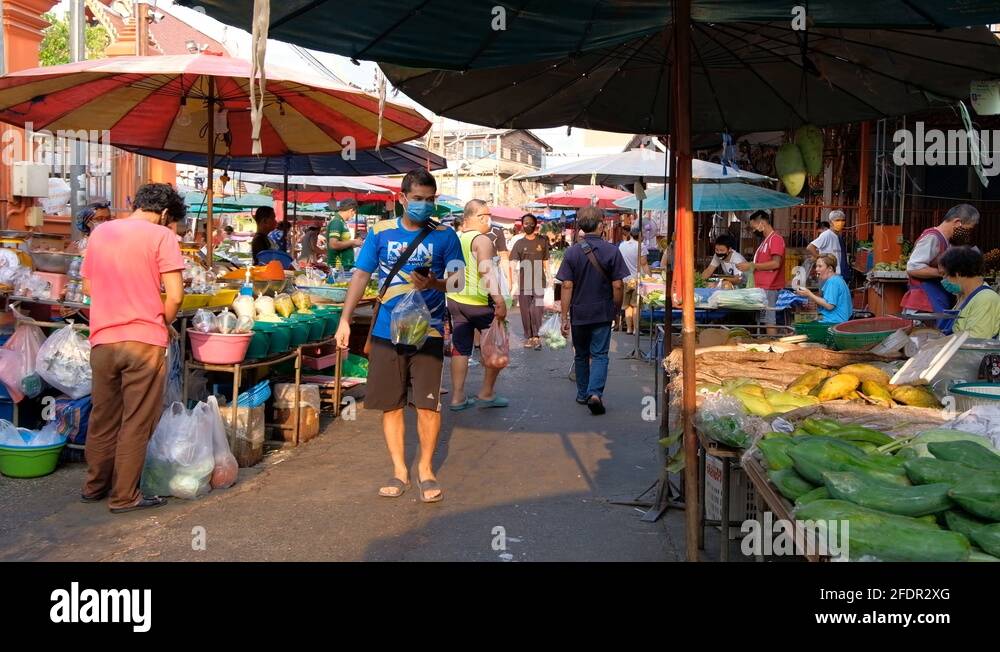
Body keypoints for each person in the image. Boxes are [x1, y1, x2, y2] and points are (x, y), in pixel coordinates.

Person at [334, 169, 464, 503]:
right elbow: (361, 276)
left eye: (430, 199)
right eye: (418, 199)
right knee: (391, 404)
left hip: (429, 331)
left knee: (428, 405)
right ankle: (399, 469)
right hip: (385, 331)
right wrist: (345, 320)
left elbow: (458, 282)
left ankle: (425, 469)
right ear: (402, 199)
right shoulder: (380, 233)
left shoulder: (445, 235)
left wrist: (434, 283)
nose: (423, 205)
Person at [79, 183, 186, 513]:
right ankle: (125, 496)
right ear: (165, 213)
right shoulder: (162, 237)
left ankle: (94, 486)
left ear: (137, 203)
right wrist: (163, 322)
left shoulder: (100, 233)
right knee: (137, 421)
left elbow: (88, 285)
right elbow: (177, 296)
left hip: (103, 339)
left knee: (103, 417)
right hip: (144, 341)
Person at [557, 206, 630, 415]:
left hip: (579, 312)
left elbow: (567, 286)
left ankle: (582, 394)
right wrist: (616, 308)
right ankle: (595, 393)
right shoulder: (612, 250)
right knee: (599, 354)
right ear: (601, 225)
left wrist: (564, 316)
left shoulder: (571, 252)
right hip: (602, 311)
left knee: (581, 354)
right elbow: (618, 285)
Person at [447, 200, 509, 411]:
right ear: (480, 217)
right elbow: (486, 270)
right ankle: (486, 393)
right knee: (495, 345)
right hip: (480, 303)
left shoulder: (457, 238)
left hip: (457, 301)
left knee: (461, 349)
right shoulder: (481, 240)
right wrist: (499, 299)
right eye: (487, 215)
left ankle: (457, 398)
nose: (489, 219)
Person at [902, 204, 981, 315]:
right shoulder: (933, 237)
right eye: (969, 229)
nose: (968, 233)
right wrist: (947, 273)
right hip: (924, 304)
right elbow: (913, 268)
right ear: (958, 222)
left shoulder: (949, 242)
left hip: (936, 298)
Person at [737, 210, 786, 334]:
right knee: (763, 320)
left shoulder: (775, 239)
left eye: (754, 227)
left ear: (762, 222)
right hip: (762, 287)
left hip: (770, 286)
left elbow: (776, 263)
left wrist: (751, 266)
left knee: (769, 320)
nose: (754, 230)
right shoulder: (765, 241)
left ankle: (772, 346)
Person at [939, 246, 1000, 339]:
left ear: (957, 273)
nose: (943, 280)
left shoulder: (985, 298)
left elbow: (977, 340)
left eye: (944, 274)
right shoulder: (963, 297)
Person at [510, 213, 550, 348]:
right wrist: (513, 282)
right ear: (522, 225)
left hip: (539, 281)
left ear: (535, 224)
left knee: (537, 309)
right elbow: (512, 263)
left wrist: (549, 277)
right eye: (525, 223)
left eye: (530, 223)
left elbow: (546, 261)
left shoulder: (542, 241)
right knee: (525, 311)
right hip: (524, 281)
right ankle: (529, 336)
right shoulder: (519, 243)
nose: (528, 225)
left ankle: (537, 336)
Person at [795, 254, 852, 325]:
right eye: (816, 266)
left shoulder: (833, 281)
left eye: (820, 266)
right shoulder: (837, 279)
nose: (816, 269)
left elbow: (829, 305)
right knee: (799, 318)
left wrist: (809, 294)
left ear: (830, 268)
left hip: (833, 320)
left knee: (797, 320)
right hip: (832, 318)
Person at [618, 224, 649, 335]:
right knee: (636, 305)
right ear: (640, 235)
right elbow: (644, 264)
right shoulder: (641, 246)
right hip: (637, 279)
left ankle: (629, 329)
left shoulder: (622, 246)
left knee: (627, 306)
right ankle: (636, 329)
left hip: (625, 279)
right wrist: (649, 277)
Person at [327, 198, 363, 270]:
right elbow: (333, 244)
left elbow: (343, 244)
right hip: (339, 266)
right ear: (351, 210)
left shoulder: (341, 222)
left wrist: (355, 244)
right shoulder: (337, 222)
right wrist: (353, 241)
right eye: (354, 213)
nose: (353, 216)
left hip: (344, 265)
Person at [806, 210, 846, 275]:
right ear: (830, 222)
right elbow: (810, 247)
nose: (840, 223)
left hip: (836, 273)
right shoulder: (827, 235)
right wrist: (818, 257)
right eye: (837, 220)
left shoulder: (837, 236)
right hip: (827, 274)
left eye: (842, 220)